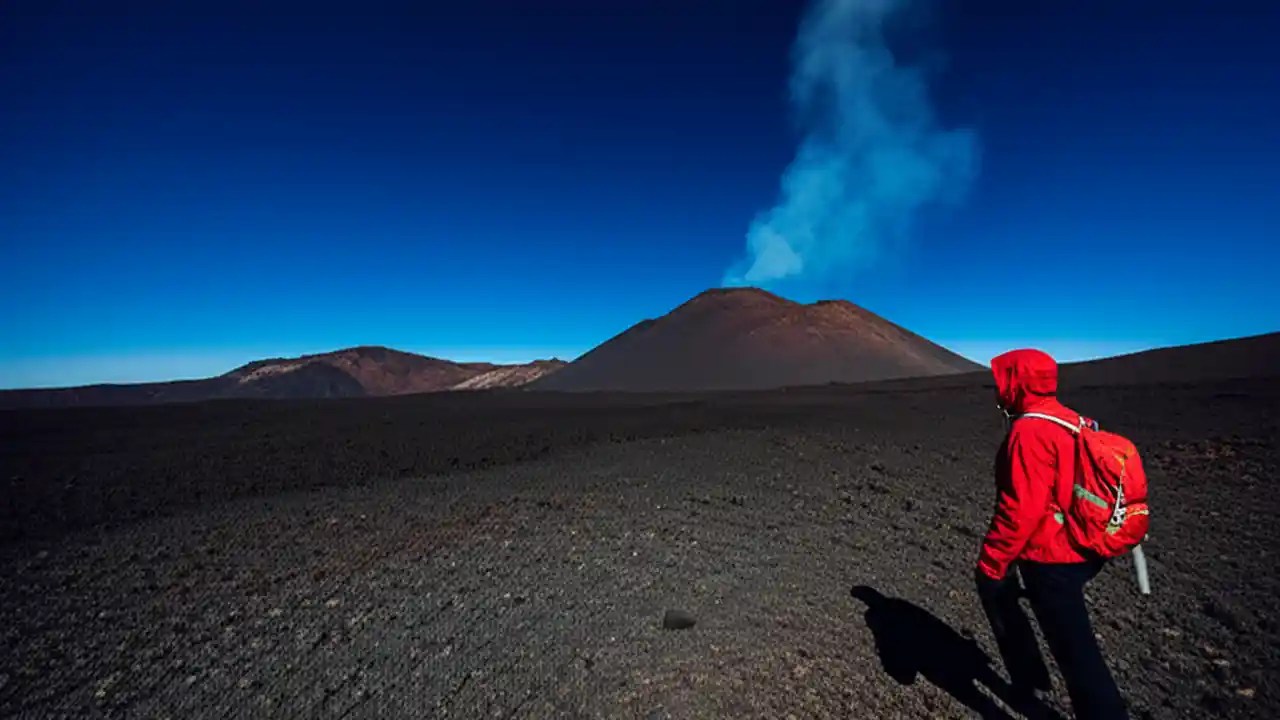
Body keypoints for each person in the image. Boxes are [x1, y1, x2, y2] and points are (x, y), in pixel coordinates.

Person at [976, 349, 1128, 720]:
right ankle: (1028, 677)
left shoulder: (1028, 433)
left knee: (1079, 659)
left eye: (1002, 381)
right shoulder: (1072, 419)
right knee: (1066, 641)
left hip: (1054, 558)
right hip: (1088, 544)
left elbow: (1019, 512)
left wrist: (991, 564)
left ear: (1017, 382)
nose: (997, 390)